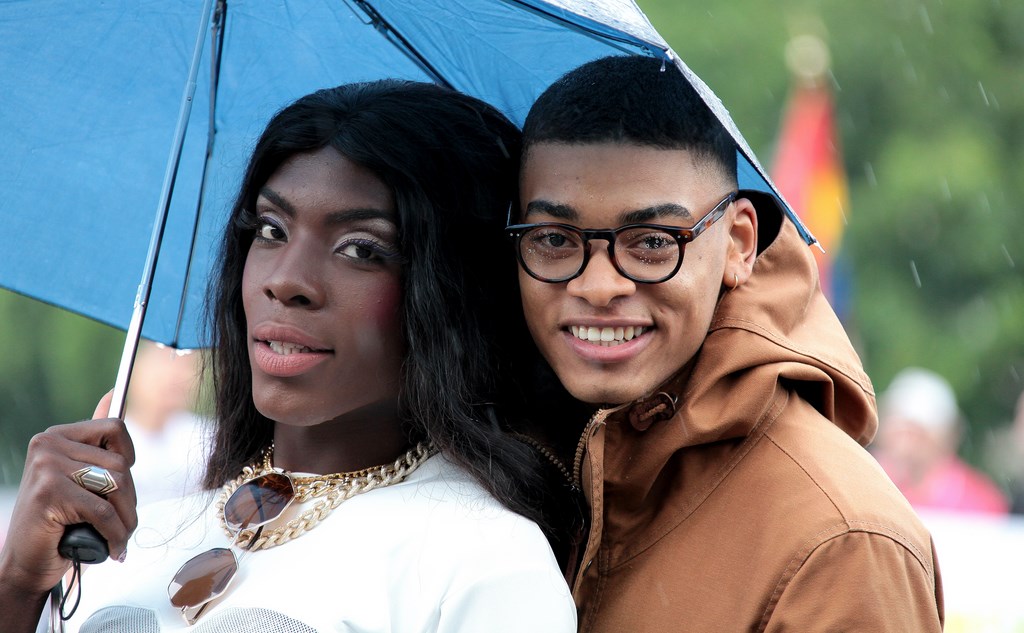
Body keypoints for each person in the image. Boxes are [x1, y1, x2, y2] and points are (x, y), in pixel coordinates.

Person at [0, 80, 575, 632]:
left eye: (361, 249)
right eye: (271, 229)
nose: (287, 281)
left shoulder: (484, 562)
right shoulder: (126, 538)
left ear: (456, 292)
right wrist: (20, 584)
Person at [506, 55, 944, 631]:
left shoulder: (841, 538)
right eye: (555, 239)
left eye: (652, 242)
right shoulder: (504, 469)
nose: (598, 286)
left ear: (738, 243)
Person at [874, 367, 1009, 515]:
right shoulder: (866, 477)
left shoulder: (980, 501)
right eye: (898, 430)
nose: (905, 445)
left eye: (915, 433)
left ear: (947, 437)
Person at [122, 340, 209, 505]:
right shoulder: (109, 442)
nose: (175, 375)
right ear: (136, 369)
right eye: (162, 362)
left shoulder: (207, 439)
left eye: (185, 366)